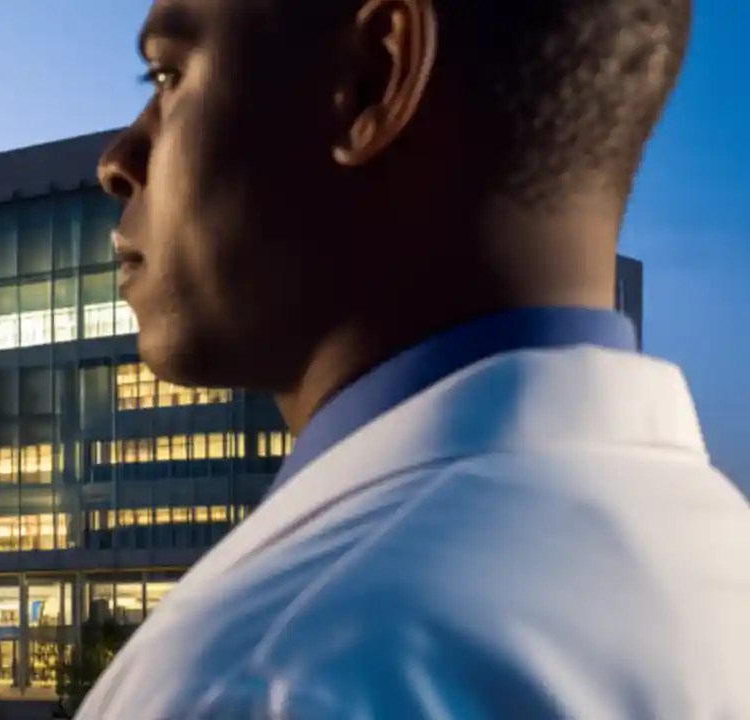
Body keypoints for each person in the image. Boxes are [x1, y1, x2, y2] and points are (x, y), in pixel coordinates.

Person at [79, 0, 750, 717]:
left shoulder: (259, 677)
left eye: (168, 75)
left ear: (372, 79)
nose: (116, 162)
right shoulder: (719, 572)